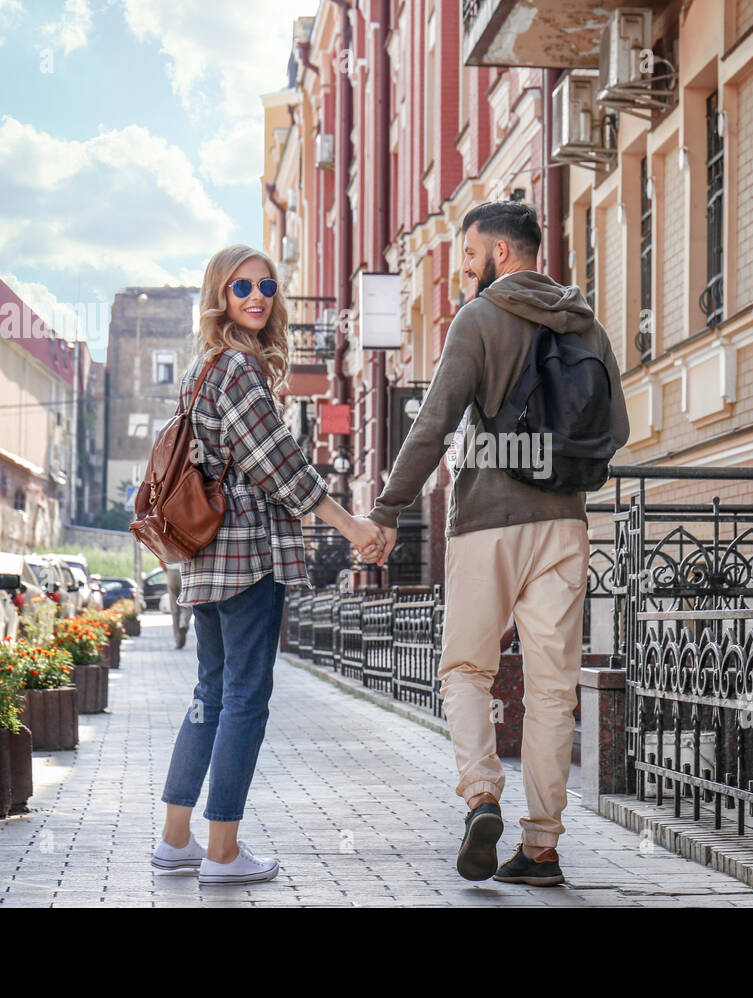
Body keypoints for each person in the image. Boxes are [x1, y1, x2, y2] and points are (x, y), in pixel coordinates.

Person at [364, 202, 628, 886]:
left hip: (486, 522)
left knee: (466, 671)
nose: (463, 270)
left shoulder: (479, 320)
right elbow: (616, 429)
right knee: (551, 689)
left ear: (502, 254)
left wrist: (391, 508)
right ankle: (541, 848)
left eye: (470, 254)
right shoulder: (588, 324)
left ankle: (482, 795)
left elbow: (433, 424)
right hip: (566, 524)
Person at [152, 244, 384, 885]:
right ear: (219, 296)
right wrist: (352, 524)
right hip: (247, 557)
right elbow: (279, 466)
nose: (257, 296)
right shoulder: (238, 370)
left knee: (211, 694)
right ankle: (222, 852)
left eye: (267, 285)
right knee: (244, 700)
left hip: (204, 561)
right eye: (240, 287)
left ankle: (177, 838)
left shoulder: (200, 369)